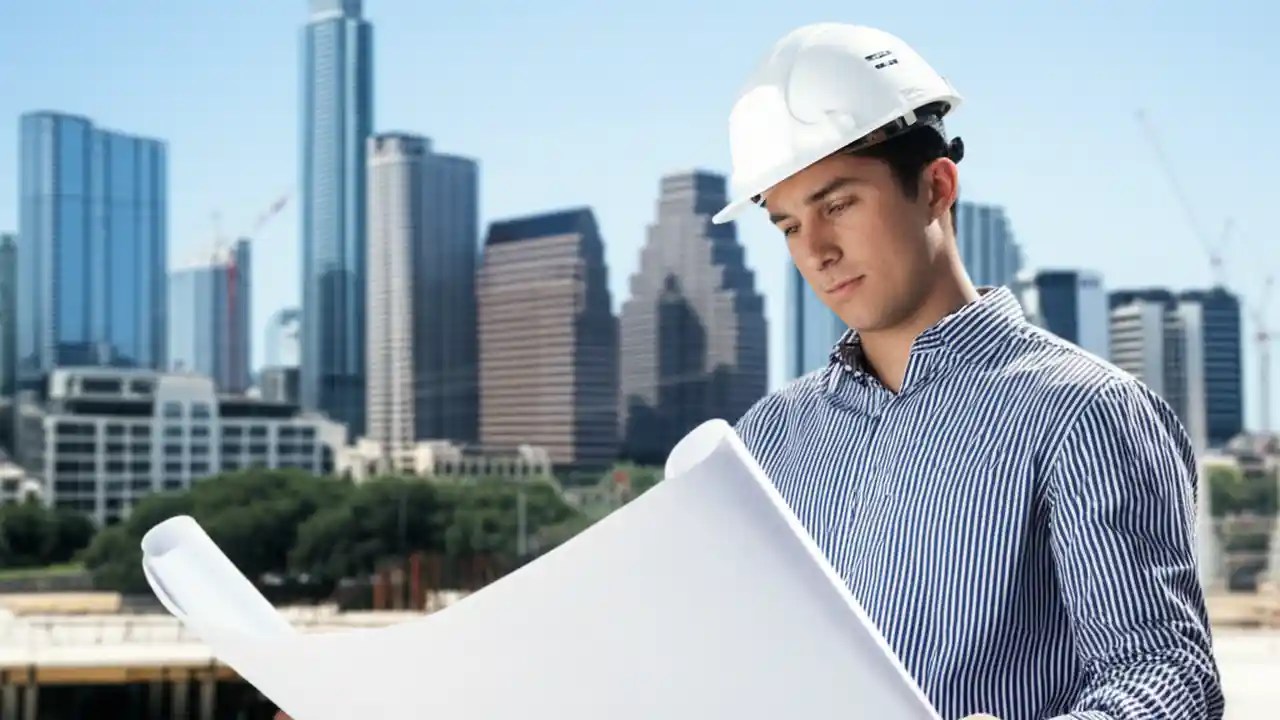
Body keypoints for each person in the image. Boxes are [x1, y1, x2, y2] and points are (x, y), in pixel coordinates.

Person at [714, 22, 1225, 720]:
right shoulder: (770, 437)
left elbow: (1165, 674)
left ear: (935, 186)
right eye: (790, 225)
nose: (818, 252)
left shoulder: (1086, 413)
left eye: (838, 205)